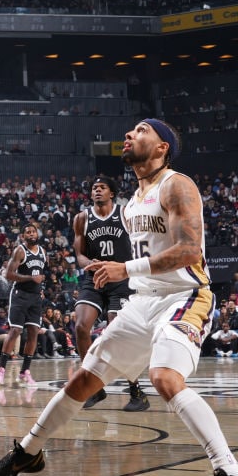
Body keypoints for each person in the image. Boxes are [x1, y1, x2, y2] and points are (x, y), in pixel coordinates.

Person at [0, 119, 238, 476]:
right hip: (142, 302)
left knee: (164, 377)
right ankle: (28, 451)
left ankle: (226, 466)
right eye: (130, 131)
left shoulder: (176, 185)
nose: (129, 135)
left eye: (141, 131)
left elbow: (189, 250)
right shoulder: (132, 202)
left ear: (162, 147)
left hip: (184, 295)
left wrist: (126, 269)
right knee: (83, 379)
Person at [72, 175, 149, 412]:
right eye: (94, 188)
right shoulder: (82, 218)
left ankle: (136, 390)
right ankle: (94, 387)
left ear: (112, 193)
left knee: (117, 333)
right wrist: (89, 263)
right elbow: (79, 254)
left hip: (121, 279)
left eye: (102, 187)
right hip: (95, 279)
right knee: (81, 327)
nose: (96, 191)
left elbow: (138, 243)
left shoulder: (125, 213)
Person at [0, 223, 47, 387]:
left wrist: (40, 288)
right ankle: (1, 369)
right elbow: (9, 274)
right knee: (15, 330)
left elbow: (40, 275)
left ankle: (25, 371)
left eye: (33, 231)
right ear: (23, 236)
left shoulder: (43, 252)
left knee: (33, 332)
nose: (31, 234)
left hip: (35, 297)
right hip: (19, 296)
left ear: (37, 234)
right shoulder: (20, 251)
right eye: (27, 232)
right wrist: (31, 279)